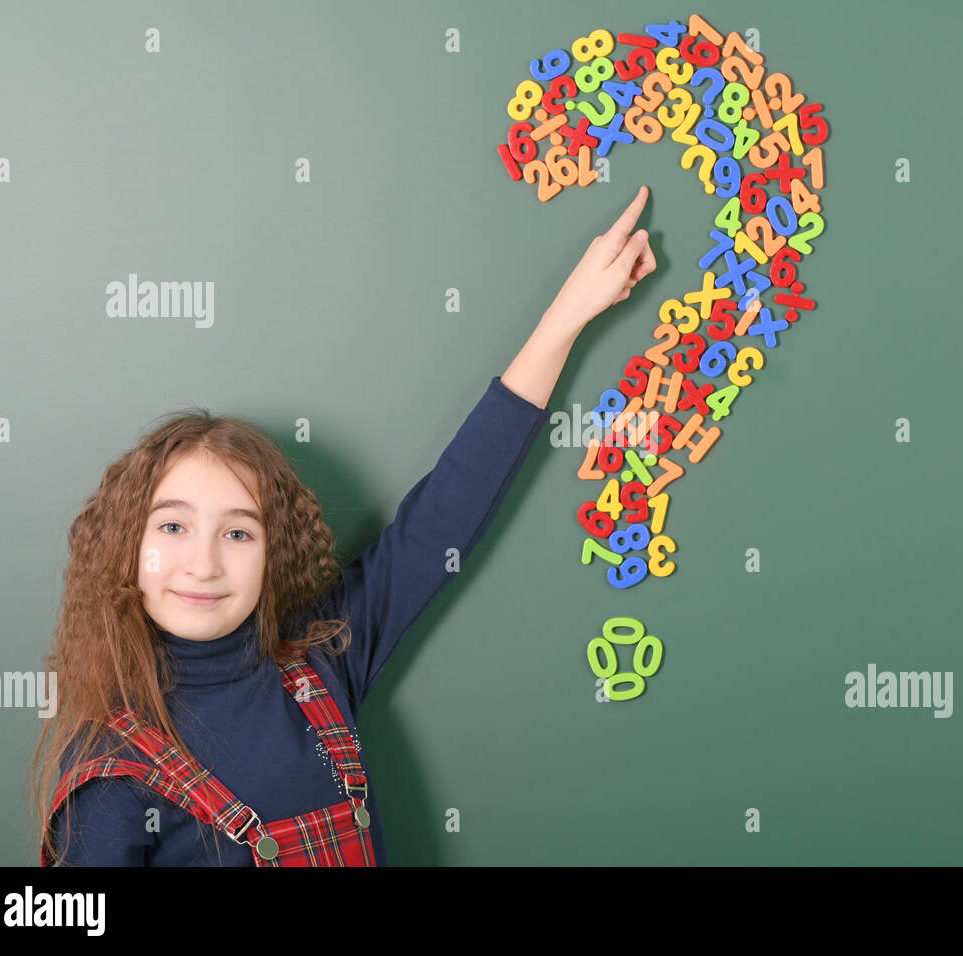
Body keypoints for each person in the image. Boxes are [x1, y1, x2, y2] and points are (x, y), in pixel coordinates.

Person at [34, 188, 657, 866]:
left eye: (238, 533)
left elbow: (445, 513)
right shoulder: (112, 771)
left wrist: (566, 318)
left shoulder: (322, 656)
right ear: (129, 546)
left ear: (274, 554)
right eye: (174, 528)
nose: (203, 564)